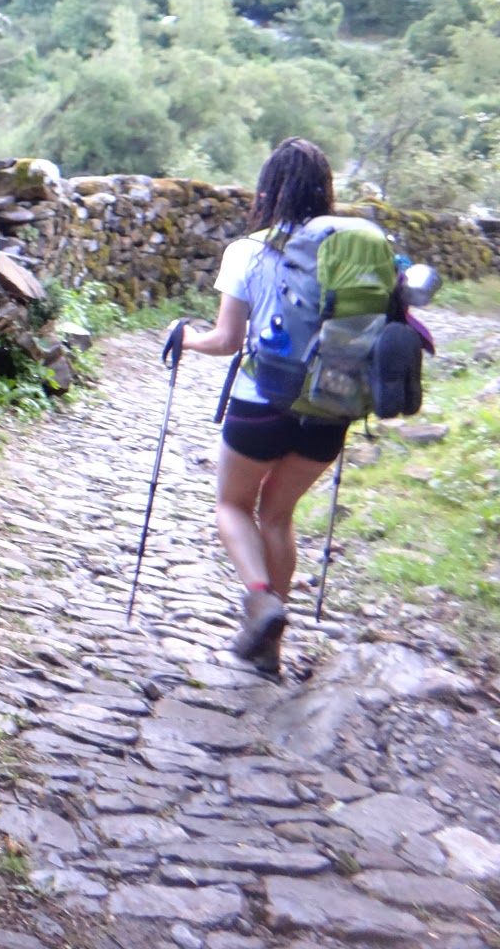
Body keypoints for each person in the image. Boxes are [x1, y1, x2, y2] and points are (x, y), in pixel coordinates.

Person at [172, 138, 347, 676]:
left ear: (269, 188)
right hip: (328, 411)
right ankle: (270, 648)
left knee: (232, 506)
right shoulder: (348, 253)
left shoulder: (248, 251)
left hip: (260, 405)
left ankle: (259, 599)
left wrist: (185, 338)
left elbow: (227, 340)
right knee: (277, 515)